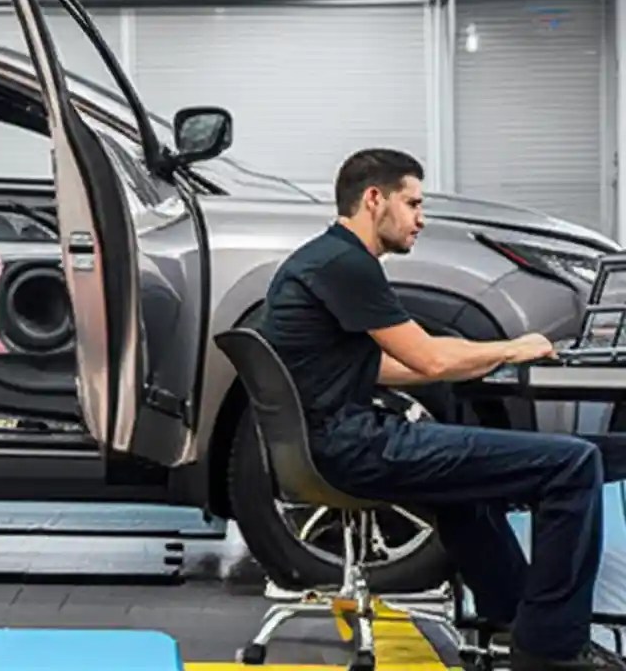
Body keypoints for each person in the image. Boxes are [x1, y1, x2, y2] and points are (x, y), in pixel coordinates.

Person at [258, 148, 626, 671]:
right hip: (356, 446)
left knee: (534, 471)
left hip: (336, 443)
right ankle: (551, 650)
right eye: (412, 204)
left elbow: (386, 367)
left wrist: (470, 364)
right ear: (373, 199)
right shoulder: (346, 263)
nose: (421, 219)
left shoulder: (321, 259)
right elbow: (427, 357)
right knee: (572, 465)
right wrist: (511, 348)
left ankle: (514, 618)